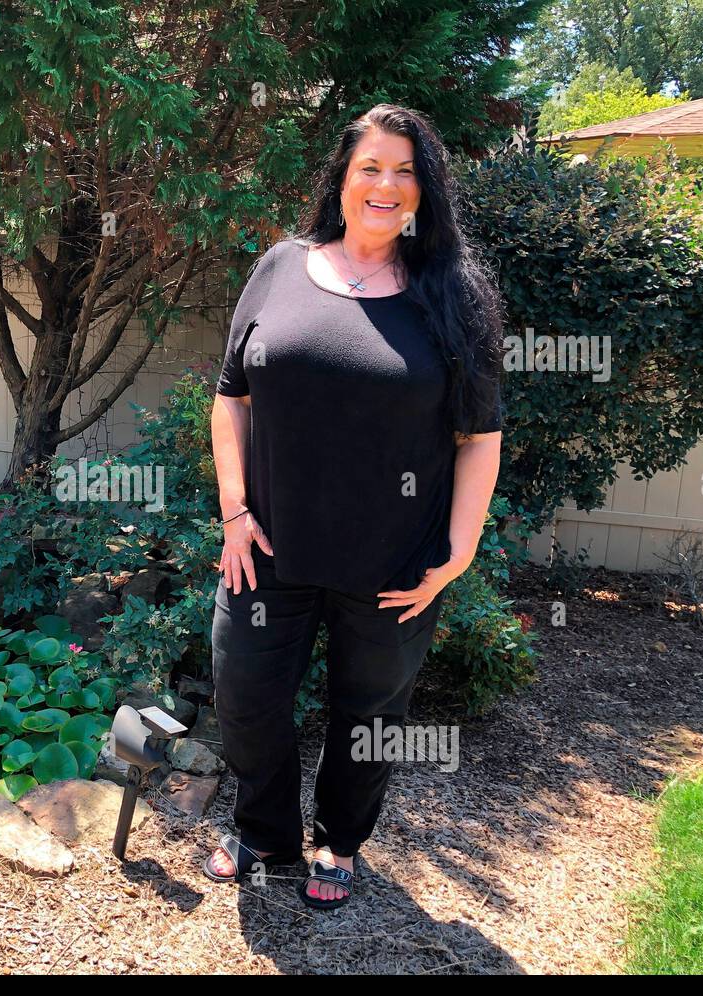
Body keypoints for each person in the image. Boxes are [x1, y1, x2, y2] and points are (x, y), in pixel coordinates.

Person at [205, 103, 504, 911]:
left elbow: (480, 437)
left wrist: (459, 551)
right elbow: (229, 399)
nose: (386, 183)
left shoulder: (451, 295)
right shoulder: (277, 268)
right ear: (342, 178)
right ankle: (264, 830)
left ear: (423, 190)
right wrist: (235, 509)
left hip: (392, 563)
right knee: (243, 693)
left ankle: (339, 841)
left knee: (371, 712)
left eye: (405, 169)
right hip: (266, 550)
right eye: (370, 166)